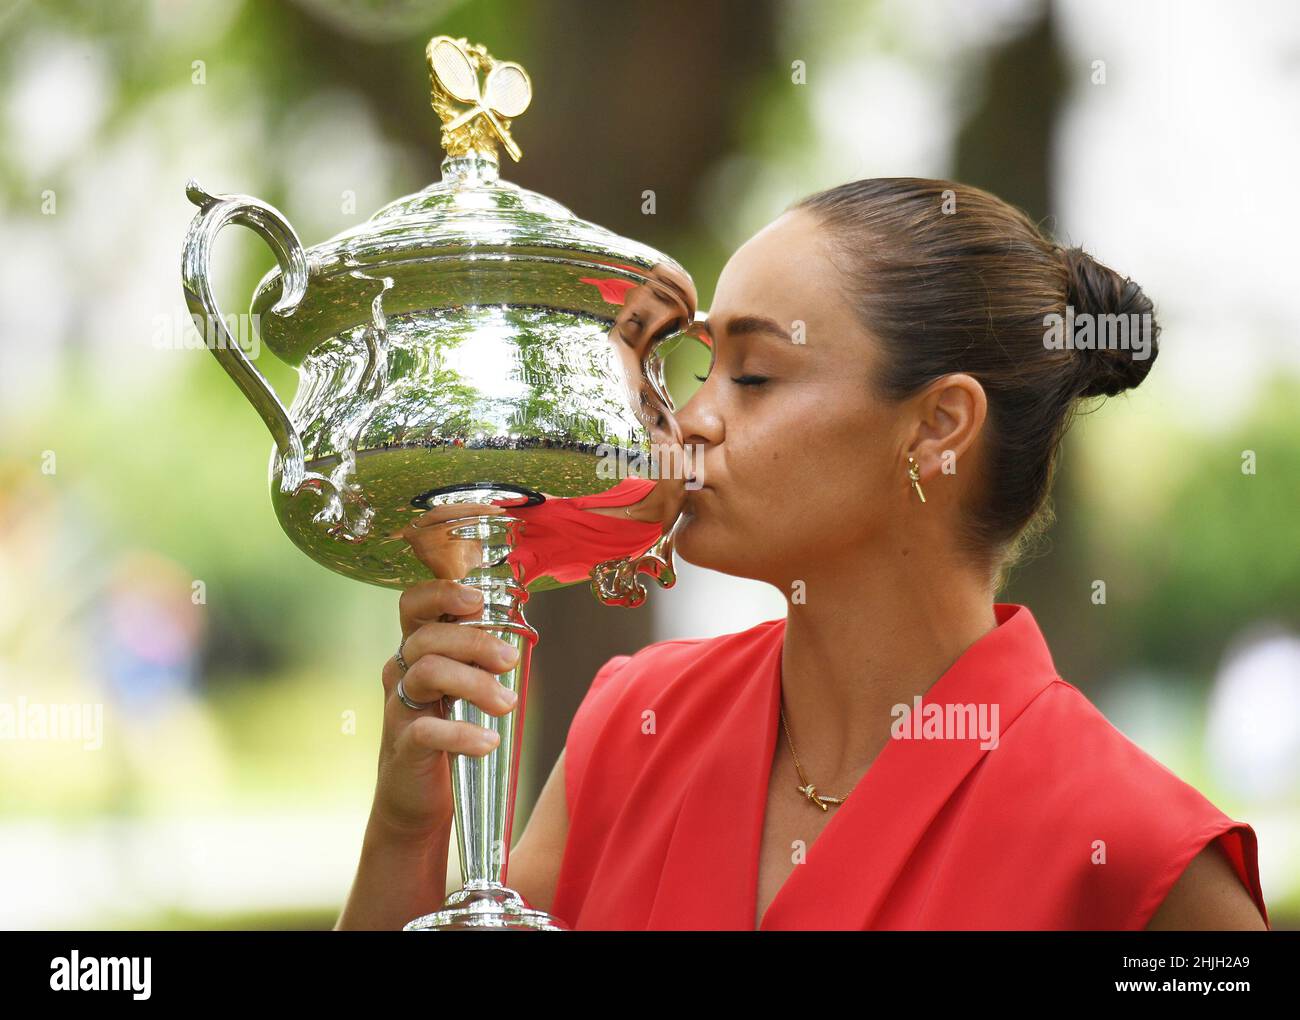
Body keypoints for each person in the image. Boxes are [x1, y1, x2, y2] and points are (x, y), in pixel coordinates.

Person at [334, 177, 1269, 931]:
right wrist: (409, 829)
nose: (691, 419)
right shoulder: (632, 729)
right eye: (701, 372)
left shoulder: (1137, 857)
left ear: (939, 425)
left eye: (753, 375)